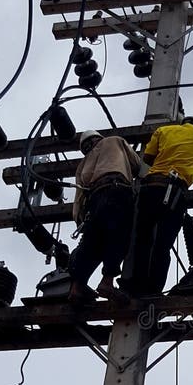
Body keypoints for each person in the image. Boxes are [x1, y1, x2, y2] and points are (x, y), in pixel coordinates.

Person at [123, 116, 193, 297]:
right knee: (163, 244)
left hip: (150, 187)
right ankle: (153, 290)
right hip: (174, 190)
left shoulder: (164, 130)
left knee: (142, 240)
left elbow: (148, 158)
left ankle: (134, 286)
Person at [68, 129, 140, 304]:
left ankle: (77, 287)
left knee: (92, 243)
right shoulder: (114, 141)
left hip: (94, 200)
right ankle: (107, 282)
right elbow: (137, 166)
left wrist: (79, 219)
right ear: (98, 138)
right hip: (117, 190)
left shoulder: (82, 164)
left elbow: (79, 198)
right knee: (118, 237)